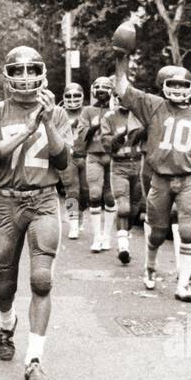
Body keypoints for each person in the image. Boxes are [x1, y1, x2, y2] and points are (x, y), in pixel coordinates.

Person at [0, 46, 72, 380]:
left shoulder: (55, 113)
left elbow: (63, 162)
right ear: (9, 76)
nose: (26, 77)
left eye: (32, 70)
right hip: (8, 202)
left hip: (44, 200)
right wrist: (28, 130)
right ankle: (7, 321)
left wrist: (45, 122)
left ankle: (34, 359)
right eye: (18, 71)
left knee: (42, 280)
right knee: (5, 285)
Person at [110, 41, 191, 301]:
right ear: (164, 87)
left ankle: (183, 285)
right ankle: (151, 265)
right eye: (173, 85)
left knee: (189, 231)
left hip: (188, 179)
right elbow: (122, 87)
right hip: (161, 180)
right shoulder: (154, 105)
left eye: (183, 85)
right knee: (157, 233)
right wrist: (121, 57)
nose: (178, 90)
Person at [101, 97, 147, 265]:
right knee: (123, 207)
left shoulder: (140, 114)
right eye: (118, 97)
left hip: (138, 163)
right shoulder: (108, 117)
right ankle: (123, 247)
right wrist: (121, 135)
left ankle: (124, 235)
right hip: (119, 164)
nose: (122, 100)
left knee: (134, 209)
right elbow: (107, 144)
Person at [81, 77, 117, 252]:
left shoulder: (116, 111)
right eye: (99, 87)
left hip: (112, 156)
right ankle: (93, 234)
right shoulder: (87, 111)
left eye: (106, 87)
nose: (102, 90)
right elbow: (80, 136)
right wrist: (93, 128)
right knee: (91, 194)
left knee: (110, 196)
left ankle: (106, 235)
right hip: (90, 155)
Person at [60, 83, 88, 240]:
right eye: (69, 96)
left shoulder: (87, 112)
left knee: (86, 191)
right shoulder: (60, 113)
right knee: (72, 190)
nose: (72, 99)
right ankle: (73, 222)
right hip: (68, 155)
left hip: (86, 155)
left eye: (76, 96)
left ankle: (80, 214)